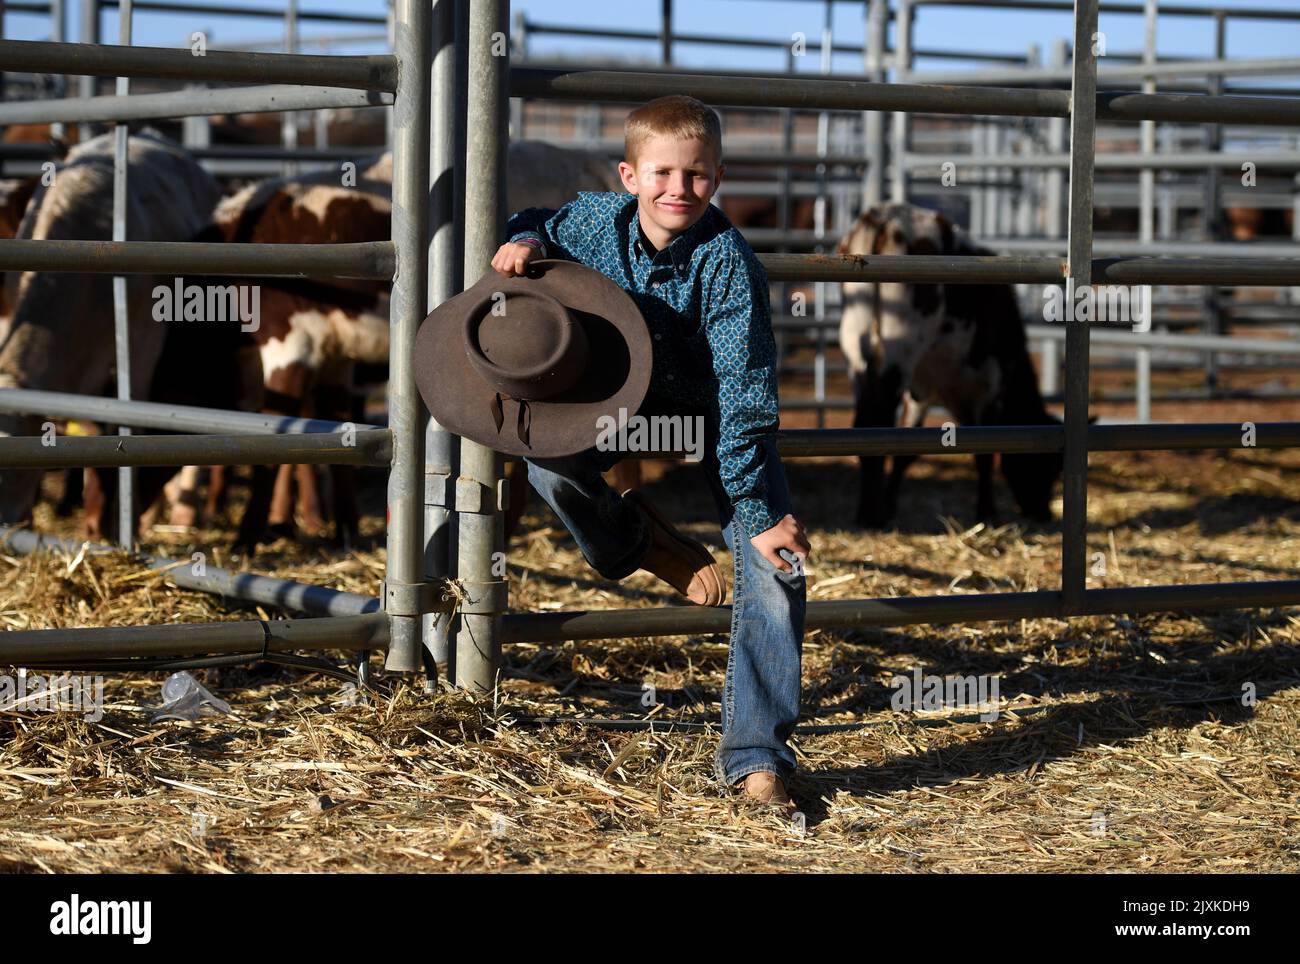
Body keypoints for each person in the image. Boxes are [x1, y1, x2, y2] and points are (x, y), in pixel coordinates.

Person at [492, 95, 811, 811]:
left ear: (718, 177)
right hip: (619, 407)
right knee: (546, 461)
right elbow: (530, 220)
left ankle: (759, 759)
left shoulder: (730, 266)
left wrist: (758, 516)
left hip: (712, 421)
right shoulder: (593, 222)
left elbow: (745, 400)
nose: (679, 189)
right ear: (629, 176)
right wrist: (528, 244)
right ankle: (636, 538)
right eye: (662, 173)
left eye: (696, 175)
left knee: (776, 565)